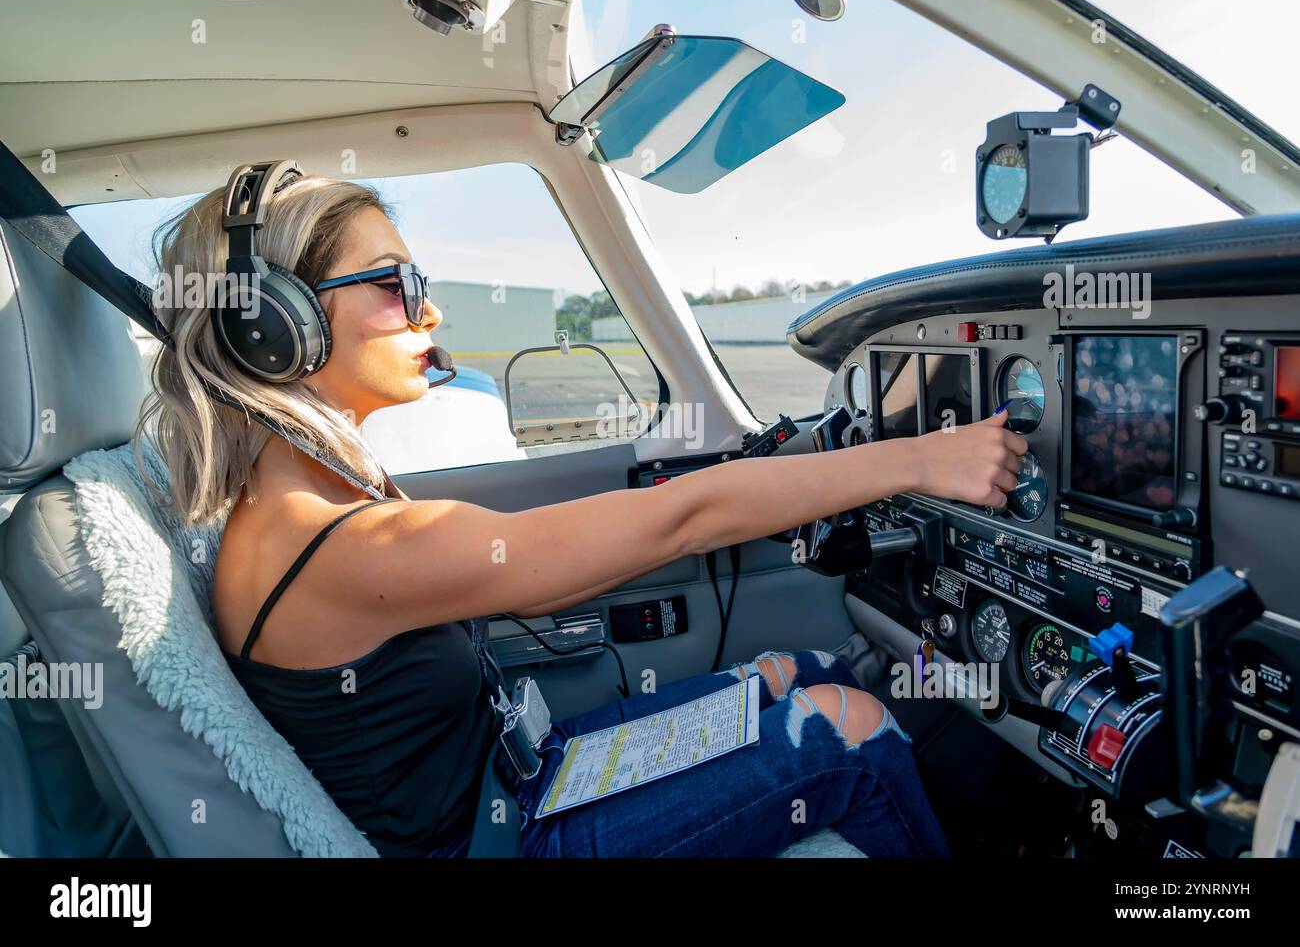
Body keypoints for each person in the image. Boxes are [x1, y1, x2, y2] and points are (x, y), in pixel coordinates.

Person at [137, 169, 1028, 857]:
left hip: (516, 776)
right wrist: (923, 460)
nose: (430, 310)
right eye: (397, 285)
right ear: (279, 325)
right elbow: (686, 519)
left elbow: (585, 558)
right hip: (500, 835)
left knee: (793, 670)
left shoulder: (313, 498)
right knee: (852, 730)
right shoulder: (341, 544)